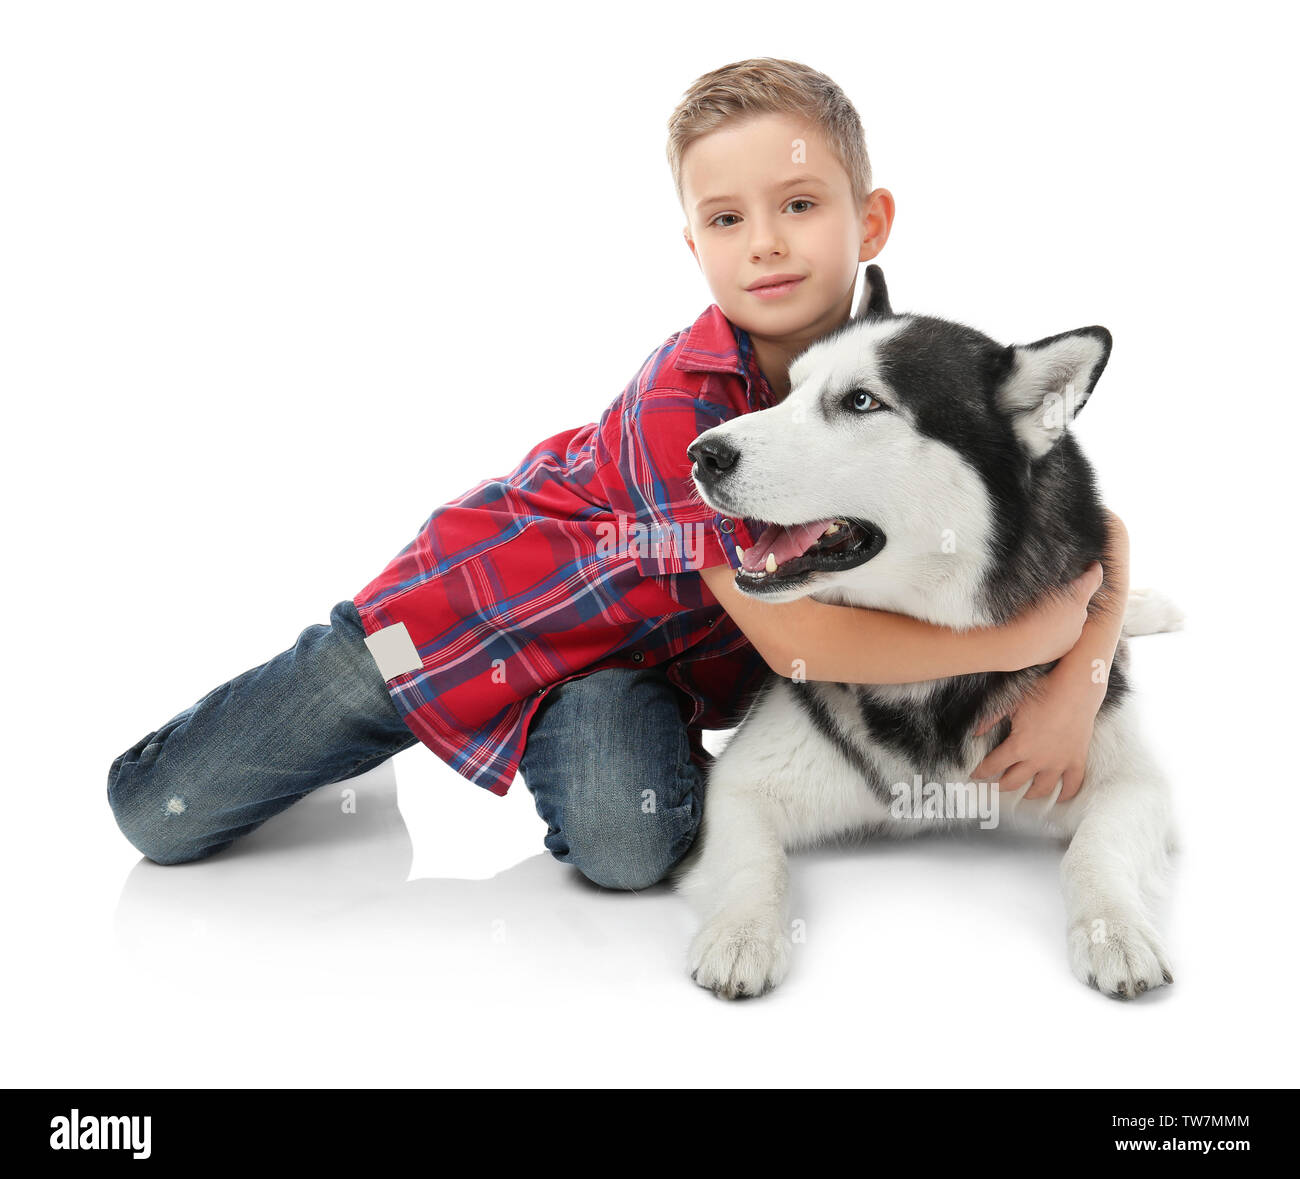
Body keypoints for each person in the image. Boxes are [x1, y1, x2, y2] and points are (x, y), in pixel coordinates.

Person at [107, 57, 1115, 889]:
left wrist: (1077, 682)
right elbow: (796, 638)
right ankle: (339, 725)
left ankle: (568, 723)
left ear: (871, 220)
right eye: (726, 221)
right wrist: (1032, 633)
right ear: (693, 244)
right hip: (458, 623)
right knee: (161, 818)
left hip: (632, 671)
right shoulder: (688, 403)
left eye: (798, 203)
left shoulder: (897, 369)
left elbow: (1074, 521)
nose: (764, 243)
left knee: (631, 855)